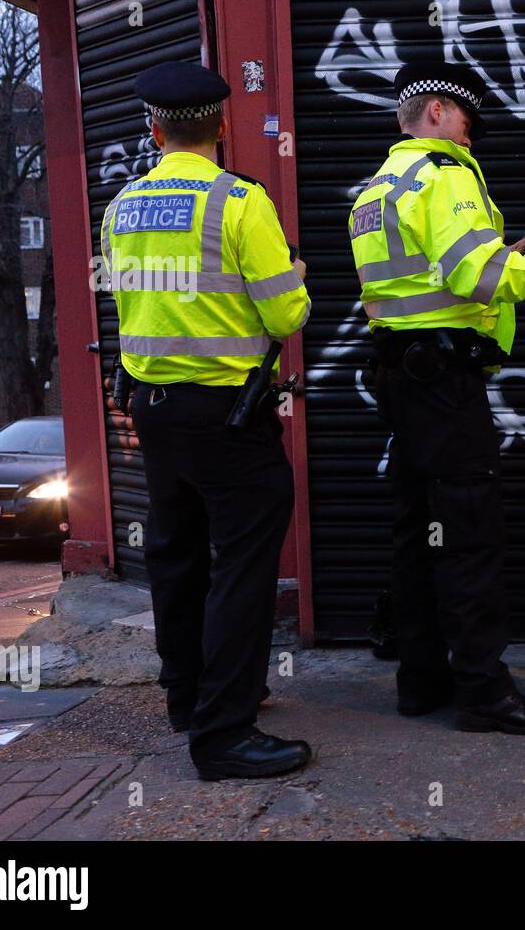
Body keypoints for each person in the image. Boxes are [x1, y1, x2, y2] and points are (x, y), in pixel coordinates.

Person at [350, 62, 525, 734]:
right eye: (465, 119)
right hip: (445, 387)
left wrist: (490, 261)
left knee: (416, 532)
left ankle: (420, 680)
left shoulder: (375, 188)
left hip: (402, 380)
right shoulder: (444, 172)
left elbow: (422, 284)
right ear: (435, 112)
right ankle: (484, 692)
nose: (471, 135)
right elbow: (476, 274)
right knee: (470, 534)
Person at [103, 61, 312, 778]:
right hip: (226, 415)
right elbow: (285, 312)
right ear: (222, 126)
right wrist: (296, 279)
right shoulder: (240, 202)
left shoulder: (121, 207)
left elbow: (127, 305)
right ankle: (224, 735)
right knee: (243, 569)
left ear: (152, 128)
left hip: (153, 412)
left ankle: (189, 699)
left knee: (177, 557)